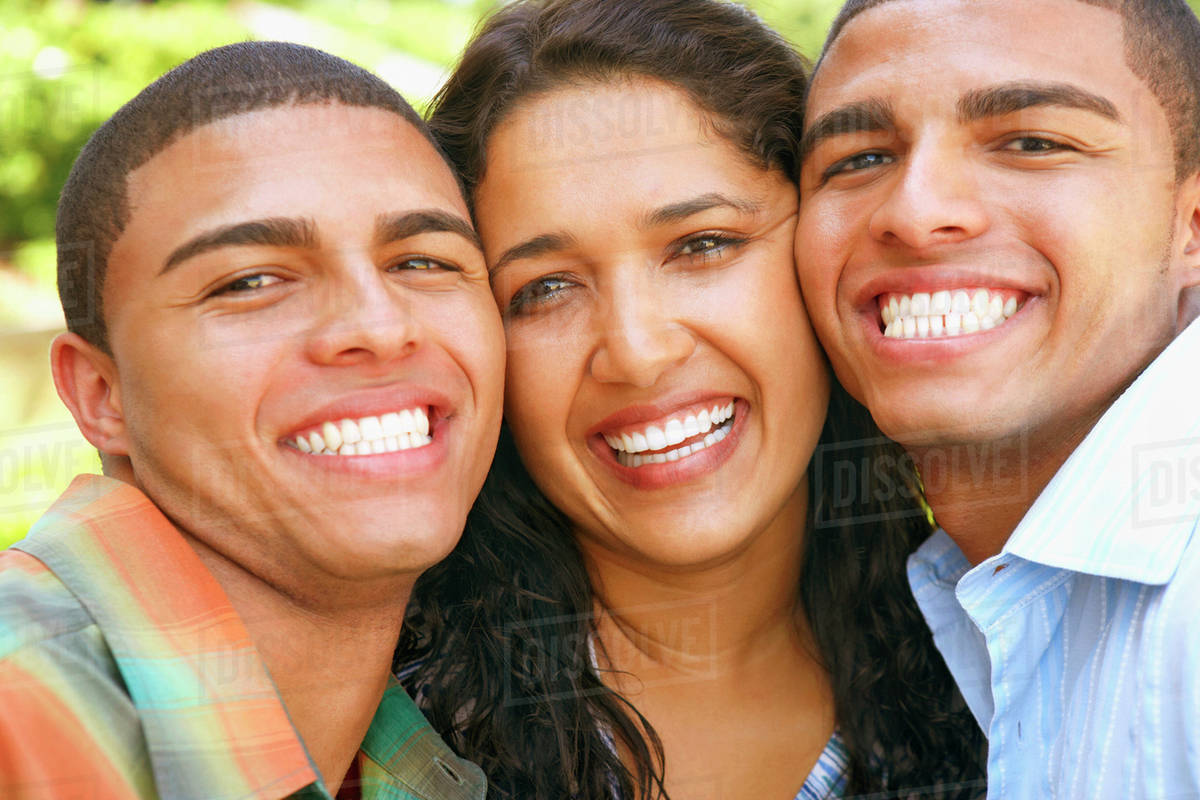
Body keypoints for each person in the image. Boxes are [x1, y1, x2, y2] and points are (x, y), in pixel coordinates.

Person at [398, 1, 986, 798]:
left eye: (702, 245)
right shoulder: (385, 728)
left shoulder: (1005, 663)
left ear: (824, 243)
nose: (638, 353)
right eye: (544, 289)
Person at [0, 41, 504, 799]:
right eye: (252, 280)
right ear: (102, 394)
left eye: (422, 261)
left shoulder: (416, 760)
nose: (380, 324)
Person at [794, 0, 1200, 797]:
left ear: (1191, 227)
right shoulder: (947, 593)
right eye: (856, 159)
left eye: (1032, 142)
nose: (915, 212)